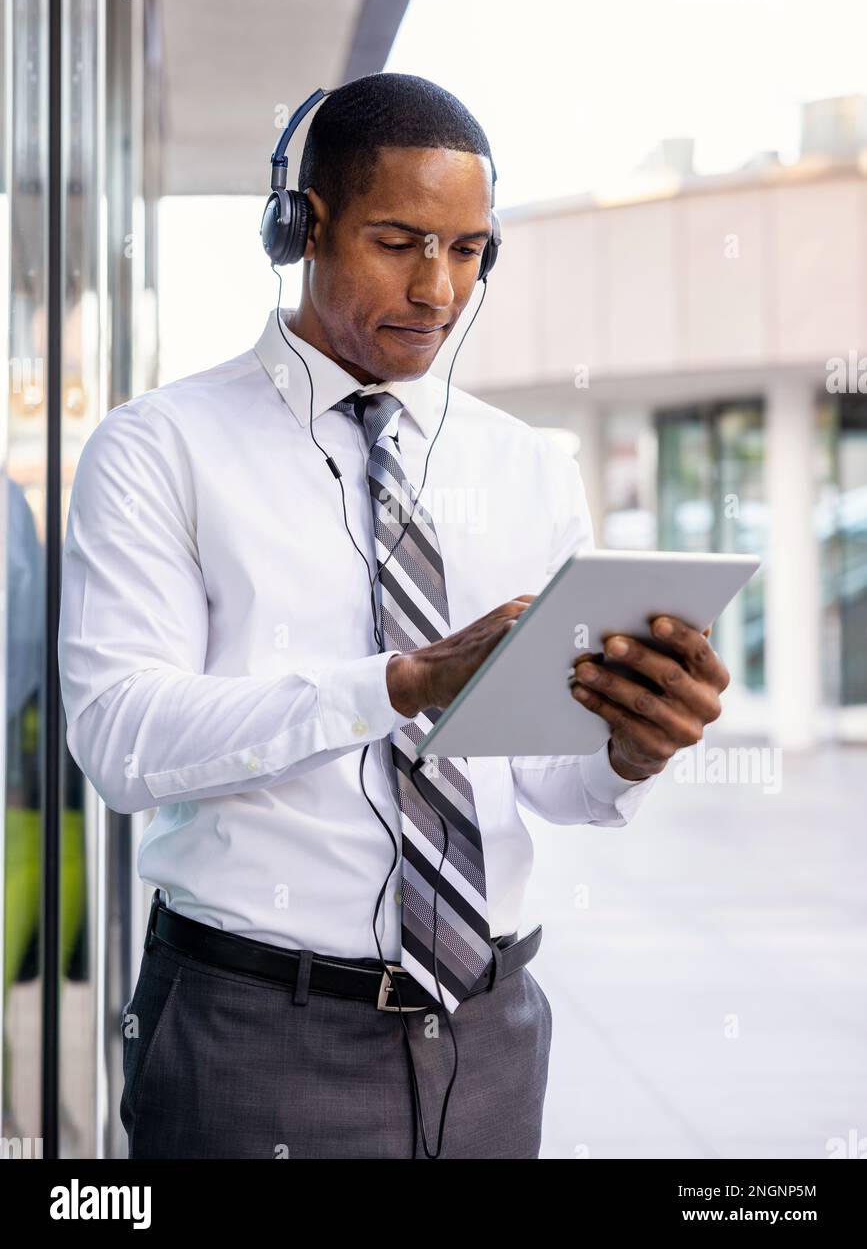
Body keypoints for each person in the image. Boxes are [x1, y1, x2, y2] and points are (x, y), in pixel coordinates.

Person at [57, 72, 731, 1159]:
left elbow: (546, 779)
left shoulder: (524, 467)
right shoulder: (160, 449)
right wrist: (396, 685)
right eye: (400, 240)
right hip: (254, 1037)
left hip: (491, 1033)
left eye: (468, 251)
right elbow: (122, 742)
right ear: (302, 228)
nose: (438, 289)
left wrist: (628, 750)